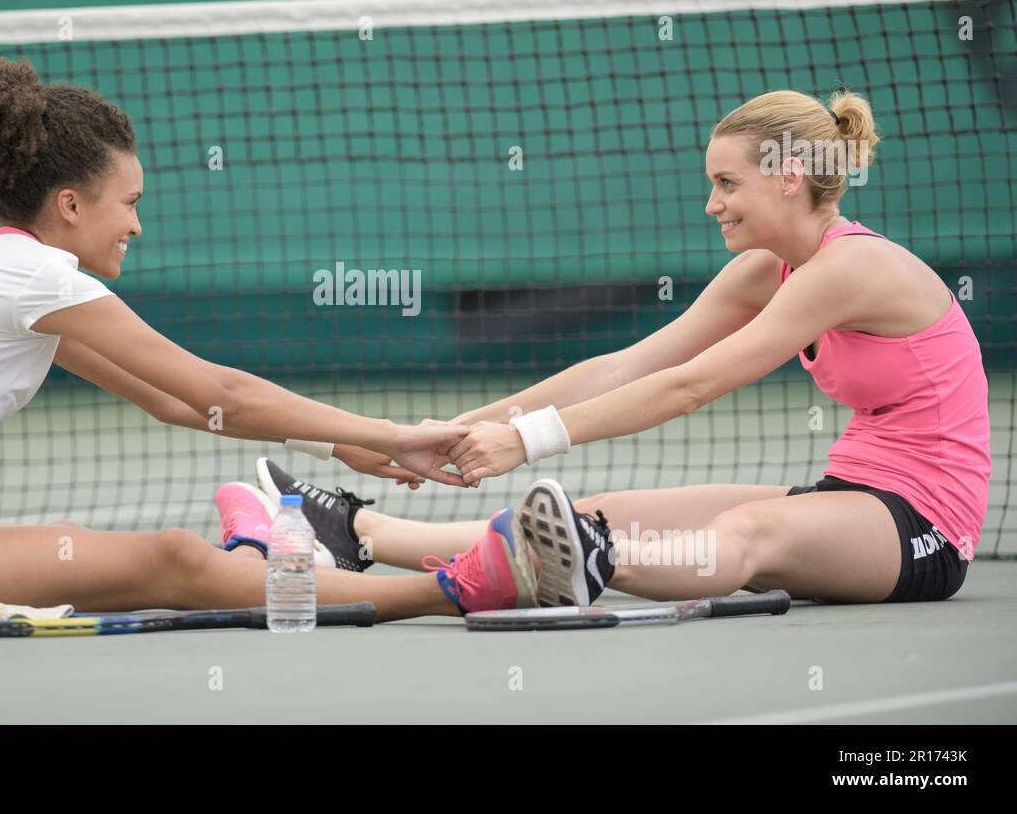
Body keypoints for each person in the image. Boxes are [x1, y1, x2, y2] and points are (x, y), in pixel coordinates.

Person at [0, 57, 556, 621]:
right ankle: (455, 586)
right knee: (171, 561)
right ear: (72, 205)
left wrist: (345, 448)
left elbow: (172, 405)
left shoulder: (4, 276)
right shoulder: (36, 279)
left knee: (81, 546)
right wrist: (390, 433)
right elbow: (216, 392)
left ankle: (268, 546)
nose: (139, 224)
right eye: (130, 201)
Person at [258, 89, 990, 607]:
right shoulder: (765, 272)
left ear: (789, 177)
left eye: (726, 183)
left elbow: (690, 387)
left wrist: (527, 440)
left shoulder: (851, 268)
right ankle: (358, 530)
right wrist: (431, 436)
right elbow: (628, 367)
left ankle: (588, 563)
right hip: (850, 494)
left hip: (926, 527)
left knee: (746, 536)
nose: (712, 204)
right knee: (604, 508)